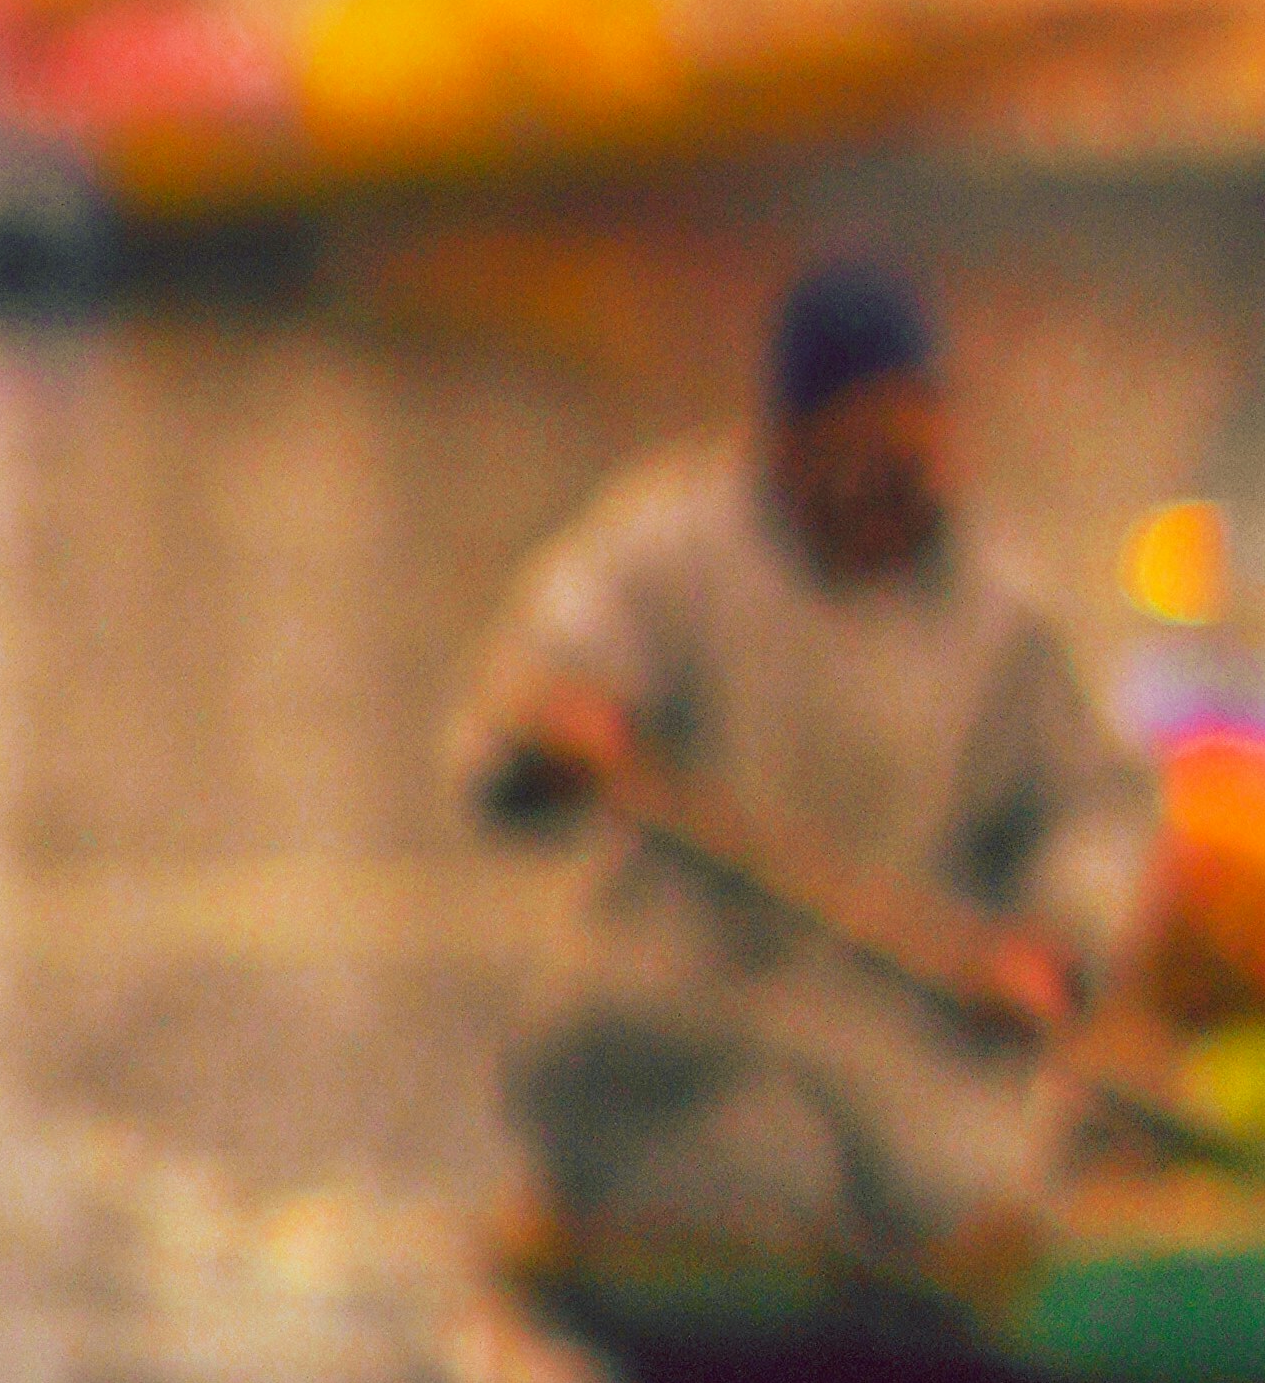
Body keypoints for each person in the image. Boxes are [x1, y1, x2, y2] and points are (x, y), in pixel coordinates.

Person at [450, 251, 1157, 1268]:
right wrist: (563, 725)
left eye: (910, 462)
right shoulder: (671, 551)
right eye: (857, 461)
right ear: (786, 442)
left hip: (893, 1030)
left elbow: (1095, 806)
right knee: (752, 1164)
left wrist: (1050, 942)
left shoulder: (1005, 615)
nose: (884, 496)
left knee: (962, 1187)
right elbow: (532, 699)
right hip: (675, 1024)